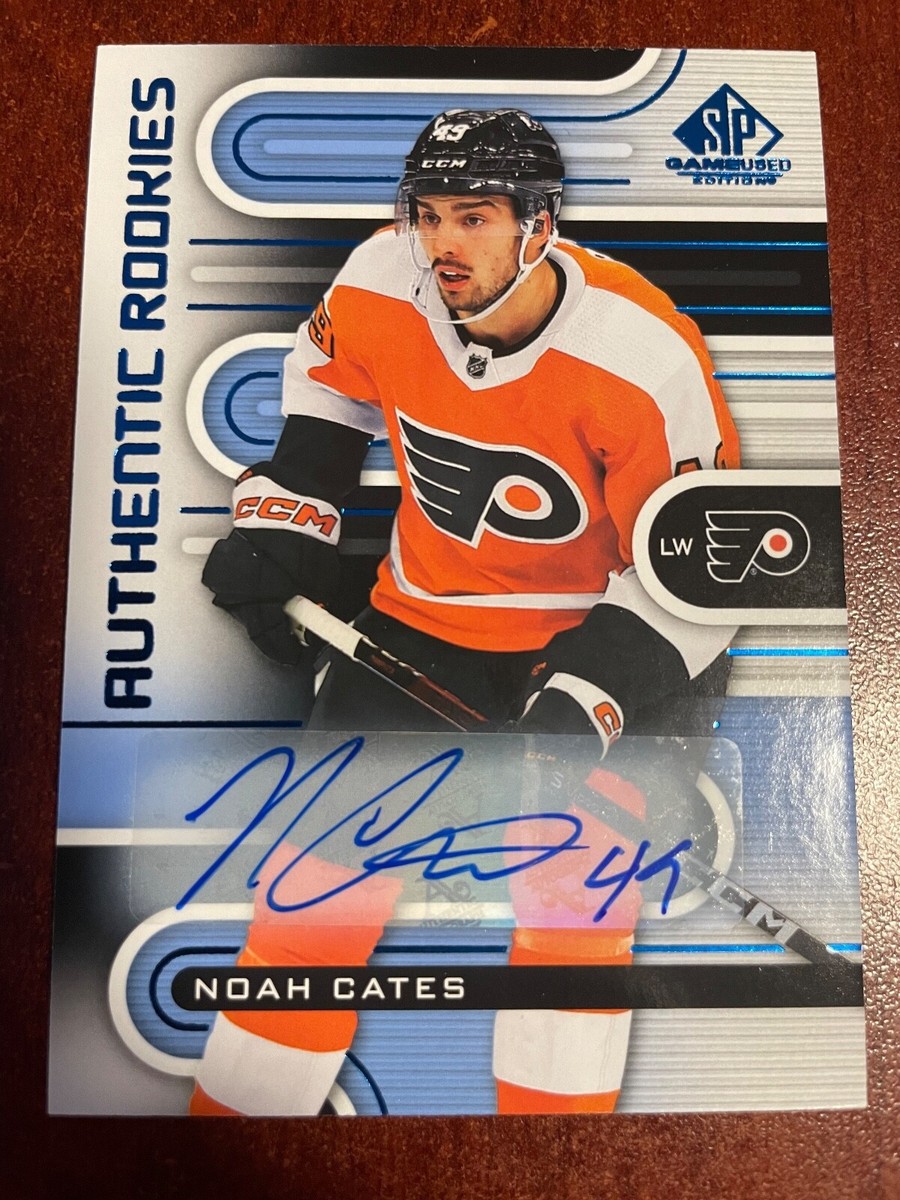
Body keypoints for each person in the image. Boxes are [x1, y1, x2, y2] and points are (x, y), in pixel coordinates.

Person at [195, 108, 741, 1116]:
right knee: (306, 912)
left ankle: (552, 1158)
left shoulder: (643, 355)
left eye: (476, 217)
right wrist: (287, 526)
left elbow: (696, 580)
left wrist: (584, 701)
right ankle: (228, 1150)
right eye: (429, 213)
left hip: (597, 640)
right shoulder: (377, 277)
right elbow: (329, 387)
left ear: (541, 225)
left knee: (572, 923)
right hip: (419, 623)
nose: (443, 242)